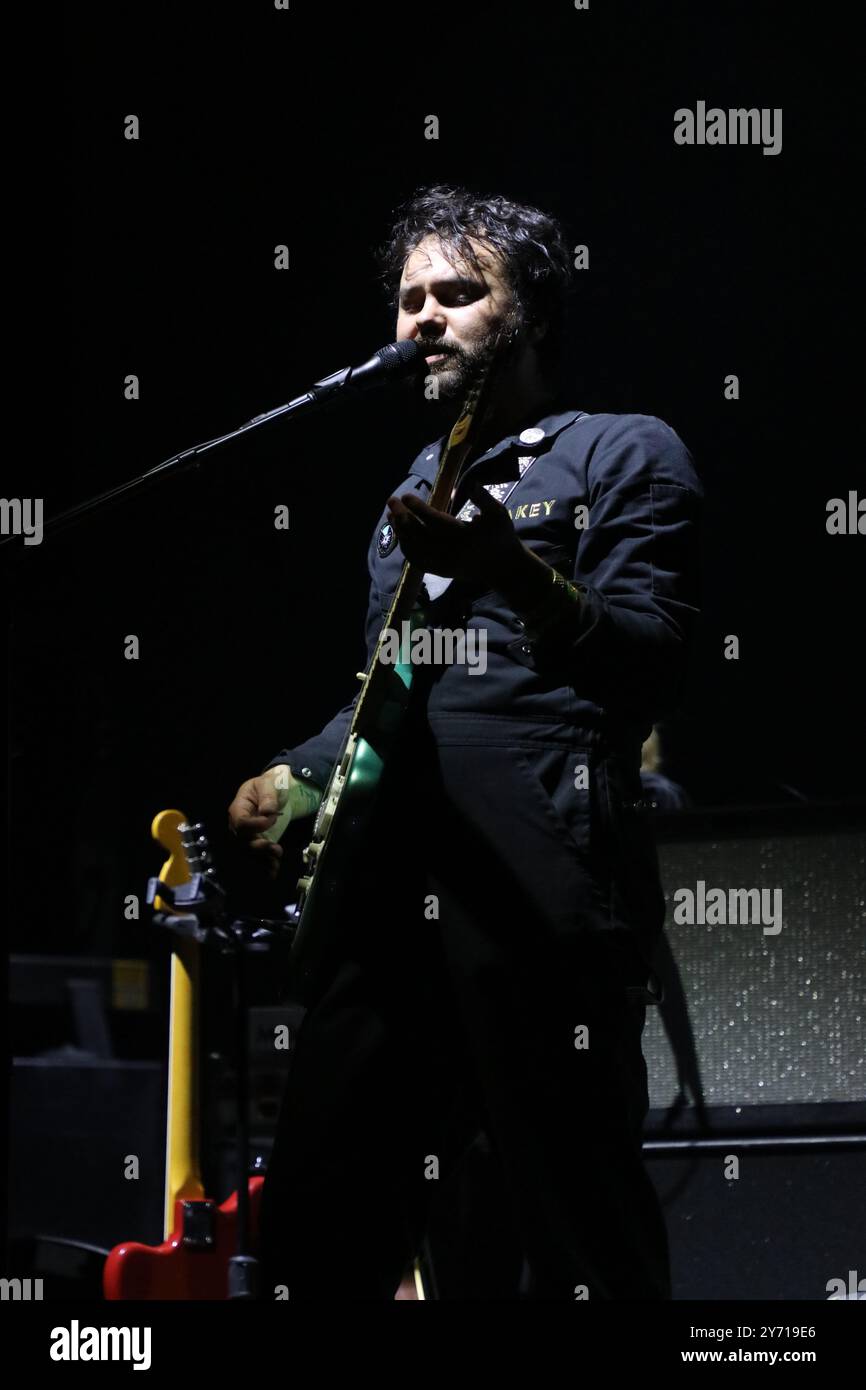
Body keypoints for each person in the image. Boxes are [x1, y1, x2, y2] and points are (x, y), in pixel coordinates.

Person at [228, 184, 703, 1300]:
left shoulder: (622, 452)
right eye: (407, 300)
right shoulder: (406, 494)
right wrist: (294, 772)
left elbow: (645, 660)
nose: (422, 318)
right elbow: (387, 699)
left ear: (529, 312)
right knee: (322, 1226)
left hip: (540, 909)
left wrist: (514, 574)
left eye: (458, 292)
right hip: (384, 911)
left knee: (575, 1226)